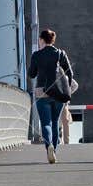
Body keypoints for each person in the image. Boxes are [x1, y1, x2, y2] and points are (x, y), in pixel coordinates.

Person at [27, 28, 75, 164]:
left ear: (42, 40)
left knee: (46, 123)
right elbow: (70, 73)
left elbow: (32, 74)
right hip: (59, 93)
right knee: (55, 122)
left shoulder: (36, 55)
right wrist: (67, 89)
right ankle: (54, 151)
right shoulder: (60, 54)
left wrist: (35, 65)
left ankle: (49, 146)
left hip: (42, 92)